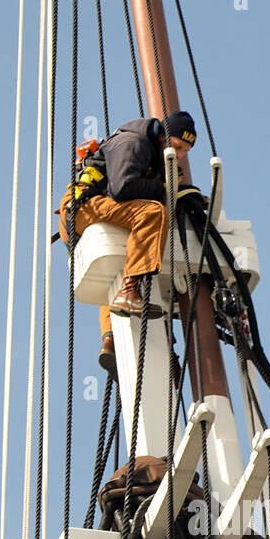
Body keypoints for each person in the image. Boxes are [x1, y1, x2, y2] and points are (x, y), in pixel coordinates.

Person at [57, 110, 197, 373]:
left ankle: (111, 340)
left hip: (83, 216)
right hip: (84, 208)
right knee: (153, 213)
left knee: (114, 269)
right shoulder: (133, 143)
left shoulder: (154, 155)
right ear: (164, 137)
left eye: (185, 151)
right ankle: (130, 290)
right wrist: (166, 190)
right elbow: (123, 189)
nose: (179, 154)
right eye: (177, 146)